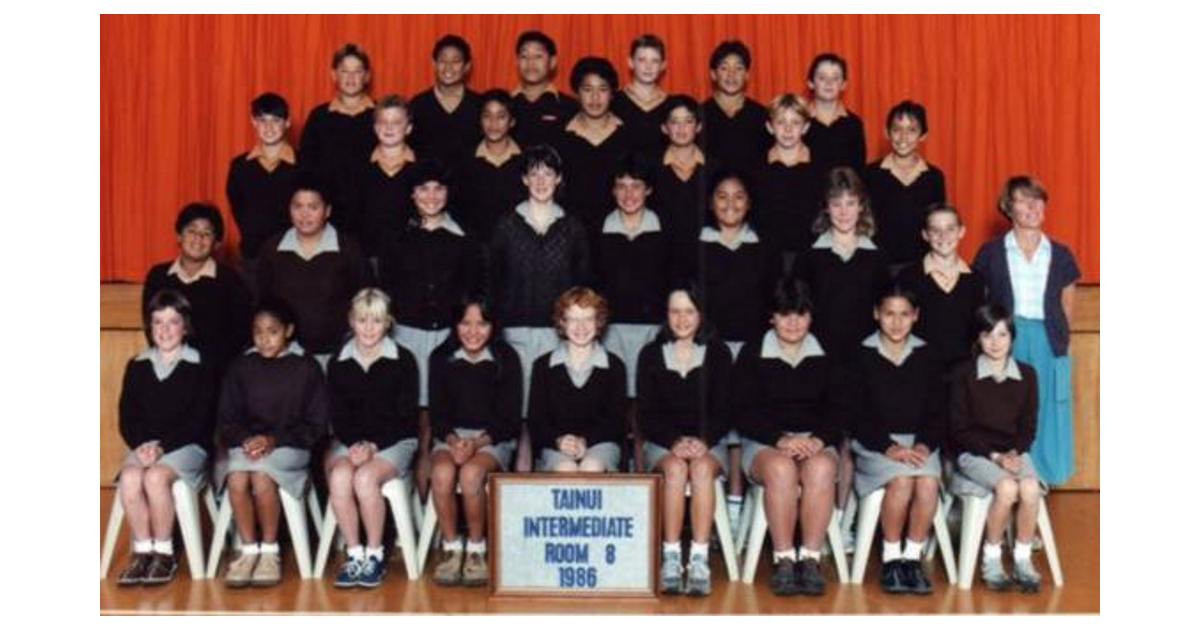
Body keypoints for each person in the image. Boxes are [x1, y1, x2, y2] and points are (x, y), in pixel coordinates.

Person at [733, 278, 843, 596]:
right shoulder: (753, 352)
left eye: (801, 313)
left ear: (811, 316)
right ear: (772, 316)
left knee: (821, 468)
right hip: (767, 443)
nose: (793, 322)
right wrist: (779, 439)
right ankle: (783, 559)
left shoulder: (828, 351)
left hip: (815, 441)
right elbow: (742, 409)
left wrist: (819, 440)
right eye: (784, 314)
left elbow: (842, 407)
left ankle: (809, 559)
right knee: (782, 469)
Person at [972, 175, 1080, 485]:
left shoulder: (1060, 255)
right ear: (1008, 208)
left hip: (1048, 341)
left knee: (1047, 411)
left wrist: (1059, 344)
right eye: (1023, 200)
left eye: (1038, 199)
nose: (1033, 206)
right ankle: (1012, 483)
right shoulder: (991, 253)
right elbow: (981, 304)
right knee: (1008, 411)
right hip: (1007, 340)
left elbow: (1066, 308)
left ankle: (1040, 486)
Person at [215, 300, 328, 588]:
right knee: (237, 477)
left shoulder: (306, 367)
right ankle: (248, 548)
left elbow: (315, 425)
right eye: (258, 332)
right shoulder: (242, 366)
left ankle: (270, 551)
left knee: (263, 475)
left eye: (273, 331)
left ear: (288, 331)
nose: (264, 339)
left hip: (290, 446)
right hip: (248, 445)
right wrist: (245, 440)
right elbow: (227, 418)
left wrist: (273, 440)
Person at [636, 283, 733, 596]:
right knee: (677, 469)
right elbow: (646, 414)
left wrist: (703, 440)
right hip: (664, 444)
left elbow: (725, 408)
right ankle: (671, 556)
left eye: (689, 311)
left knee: (702, 469)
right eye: (675, 311)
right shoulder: (650, 353)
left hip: (709, 442)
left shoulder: (719, 352)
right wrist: (675, 441)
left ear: (701, 314)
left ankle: (700, 558)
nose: (682, 319)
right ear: (666, 315)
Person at [848, 287, 945, 595]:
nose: (897, 322)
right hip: (877, 444)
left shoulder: (928, 354)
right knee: (902, 481)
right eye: (889, 313)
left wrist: (923, 445)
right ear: (877, 313)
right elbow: (856, 413)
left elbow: (938, 410)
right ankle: (891, 558)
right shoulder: (860, 354)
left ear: (915, 316)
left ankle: (911, 559)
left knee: (928, 483)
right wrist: (888, 447)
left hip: (918, 443)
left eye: (905, 314)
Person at [115, 290, 216, 586]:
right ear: (150, 326)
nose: (165, 330)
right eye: (158, 322)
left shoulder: (200, 365)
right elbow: (127, 417)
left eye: (173, 322)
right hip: (146, 446)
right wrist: (142, 446)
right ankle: (142, 551)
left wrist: (162, 448)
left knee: (155, 478)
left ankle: (164, 553)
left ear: (185, 326)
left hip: (187, 445)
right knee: (131, 477)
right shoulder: (137, 365)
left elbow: (200, 420)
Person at [324, 288, 420, 589]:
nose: (368, 328)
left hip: (395, 440)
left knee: (365, 479)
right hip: (352, 440)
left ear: (388, 323)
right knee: (340, 476)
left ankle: (375, 554)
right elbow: (338, 416)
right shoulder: (338, 361)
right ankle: (354, 554)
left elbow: (405, 417)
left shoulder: (403, 359)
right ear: (351, 321)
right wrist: (355, 444)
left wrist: (373, 447)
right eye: (362, 320)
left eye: (376, 321)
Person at [427, 295, 523, 586]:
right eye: (465, 323)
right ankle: (452, 546)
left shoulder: (506, 359)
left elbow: (509, 420)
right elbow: (438, 414)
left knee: (470, 475)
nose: (473, 331)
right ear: (455, 325)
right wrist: (455, 441)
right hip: (451, 436)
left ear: (494, 326)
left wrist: (476, 444)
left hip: (492, 439)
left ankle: (477, 549)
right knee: (442, 473)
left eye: (481, 323)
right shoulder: (441, 358)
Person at [949, 304, 1044, 593]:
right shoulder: (964, 374)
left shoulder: (1027, 375)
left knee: (1030, 488)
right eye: (988, 334)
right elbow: (959, 429)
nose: (995, 342)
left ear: (1012, 338)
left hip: (1013, 453)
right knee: (1006, 489)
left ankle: (1022, 558)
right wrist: (996, 457)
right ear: (978, 338)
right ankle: (991, 557)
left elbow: (1028, 427)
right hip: (976, 453)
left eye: (1002, 335)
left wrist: (1015, 453)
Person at [256, 177, 370, 368]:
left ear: (327, 211)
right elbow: (263, 300)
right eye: (297, 206)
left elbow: (364, 299)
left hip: (338, 354)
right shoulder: (272, 250)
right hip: (286, 355)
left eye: (313, 207)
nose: (304, 214)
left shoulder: (348, 249)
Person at [142, 203, 252, 373]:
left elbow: (240, 333)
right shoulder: (158, 276)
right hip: (168, 369)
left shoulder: (230, 280)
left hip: (216, 374)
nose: (198, 239)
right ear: (179, 236)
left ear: (216, 243)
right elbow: (151, 325)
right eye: (191, 231)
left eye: (206, 233)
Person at [594, 155, 669, 399]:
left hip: (653, 330)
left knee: (649, 399)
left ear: (648, 189)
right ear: (613, 191)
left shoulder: (665, 229)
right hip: (610, 330)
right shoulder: (597, 229)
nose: (629, 194)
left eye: (636, 186)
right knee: (613, 398)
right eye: (621, 186)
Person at [529, 287, 627, 473]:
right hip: (556, 446)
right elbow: (537, 420)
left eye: (588, 318)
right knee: (566, 469)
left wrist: (585, 442)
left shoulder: (615, 366)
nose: (581, 327)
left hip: (601, 444)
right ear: (561, 322)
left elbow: (616, 421)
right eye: (573, 319)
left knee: (592, 467)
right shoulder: (542, 366)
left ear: (599, 322)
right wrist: (558, 441)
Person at [896, 204, 985, 376]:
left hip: (964, 373)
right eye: (935, 230)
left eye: (950, 229)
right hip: (919, 371)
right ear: (925, 235)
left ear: (962, 232)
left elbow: (978, 332)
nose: (943, 236)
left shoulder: (976, 280)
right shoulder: (908, 277)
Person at [864, 101, 947, 273]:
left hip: (922, 267)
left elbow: (938, 224)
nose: (903, 137)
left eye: (911, 130)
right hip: (878, 267)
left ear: (923, 135)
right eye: (896, 129)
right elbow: (862, 223)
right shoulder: (869, 174)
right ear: (886, 133)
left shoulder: (934, 177)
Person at [298, 43, 377, 222]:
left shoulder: (382, 116)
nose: (351, 78)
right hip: (328, 212)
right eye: (344, 71)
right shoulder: (319, 116)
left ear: (367, 76)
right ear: (333, 75)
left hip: (372, 209)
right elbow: (306, 166)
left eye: (357, 71)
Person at [226, 92, 301, 273]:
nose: (269, 127)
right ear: (253, 122)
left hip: (296, 255)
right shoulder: (239, 167)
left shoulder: (305, 164)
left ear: (287, 122)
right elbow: (238, 207)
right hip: (253, 256)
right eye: (262, 120)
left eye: (276, 120)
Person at [559, 56, 634, 233]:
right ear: (576, 93)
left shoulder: (629, 136)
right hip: (569, 232)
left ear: (612, 94)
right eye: (587, 89)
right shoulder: (560, 136)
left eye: (602, 89)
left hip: (619, 230)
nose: (595, 97)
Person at [755, 93, 821, 274]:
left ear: (806, 127)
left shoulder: (821, 168)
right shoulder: (755, 168)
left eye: (795, 122)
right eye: (781, 122)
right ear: (769, 126)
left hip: (811, 256)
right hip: (766, 258)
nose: (788, 129)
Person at [650, 95, 715, 280]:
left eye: (688, 121)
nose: (681, 129)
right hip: (662, 263)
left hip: (705, 261)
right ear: (664, 128)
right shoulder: (651, 168)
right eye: (674, 122)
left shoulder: (715, 169)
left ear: (699, 126)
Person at [347, 94, 418, 257]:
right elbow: (350, 217)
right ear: (375, 127)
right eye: (383, 122)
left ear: (408, 128)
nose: (389, 127)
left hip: (411, 256)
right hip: (367, 256)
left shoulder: (422, 167)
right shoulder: (356, 167)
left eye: (396, 122)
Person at [458, 89, 525, 241]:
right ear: (480, 120)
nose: (493, 123)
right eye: (487, 116)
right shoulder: (465, 161)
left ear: (512, 121)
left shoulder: (526, 160)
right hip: (476, 247)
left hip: (518, 247)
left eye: (501, 116)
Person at [408, 35, 482, 170]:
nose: (448, 67)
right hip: (429, 188)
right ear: (434, 64)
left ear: (467, 66)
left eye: (456, 61)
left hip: (470, 186)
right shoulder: (418, 105)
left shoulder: (479, 105)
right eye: (443, 60)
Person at [701, 40, 770, 171]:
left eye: (738, 68)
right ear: (713, 74)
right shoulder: (699, 114)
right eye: (724, 68)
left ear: (747, 75)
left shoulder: (762, 115)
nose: (731, 74)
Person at [509, 30, 578, 152]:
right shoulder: (505, 105)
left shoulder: (570, 107)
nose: (530, 63)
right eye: (524, 56)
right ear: (517, 62)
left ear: (552, 62)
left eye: (538, 56)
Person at [804, 52, 866, 176]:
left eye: (835, 78)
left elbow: (859, 170)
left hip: (843, 194)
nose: (829, 83)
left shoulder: (854, 124)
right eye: (822, 77)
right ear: (810, 83)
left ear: (843, 84)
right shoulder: (799, 121)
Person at [611, 33, 671, 161]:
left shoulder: (672, 105)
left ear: (663, 65)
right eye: (642, 60)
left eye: (655, 61)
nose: (648, 67)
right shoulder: (613, 101)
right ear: (630, 62)